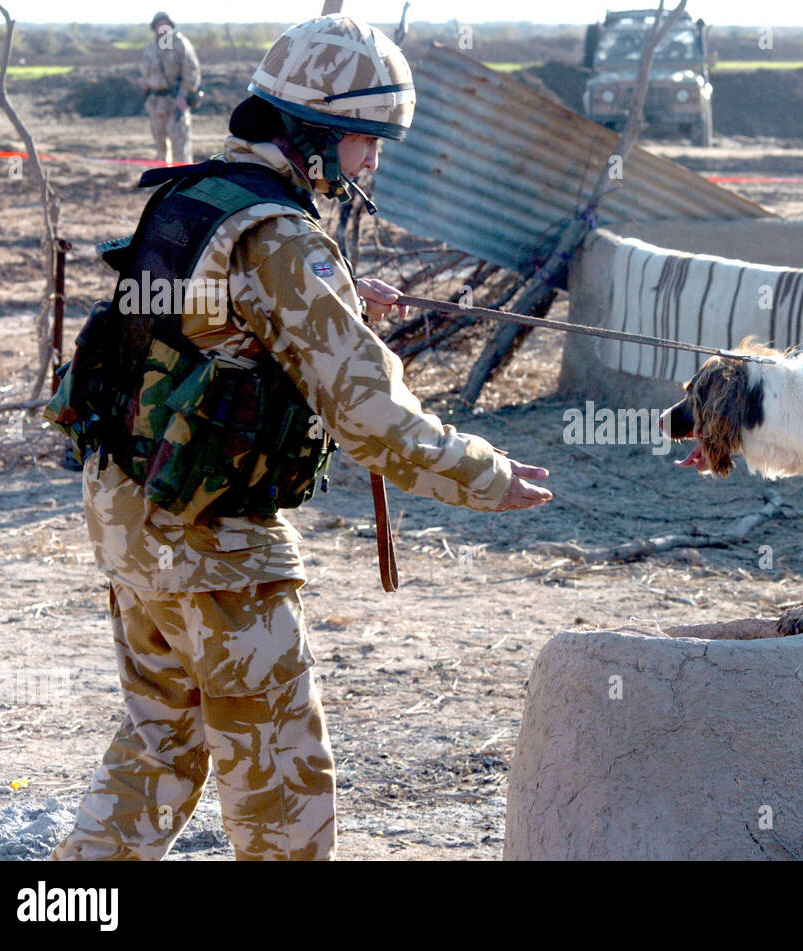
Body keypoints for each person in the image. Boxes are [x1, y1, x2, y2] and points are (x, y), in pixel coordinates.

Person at [48, 14, 552, 860]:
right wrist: (485, 474)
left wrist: (340, 290)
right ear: (314, 132)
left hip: (131, 524)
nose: (373, 162)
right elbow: (373, 419)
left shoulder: (199, 195)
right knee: (282, 788)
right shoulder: (282, 238)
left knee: (158, 752)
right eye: (366, 141)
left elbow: (210, 321)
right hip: (214, 547)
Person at [141, 11, 201, 164]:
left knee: (180, 148)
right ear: (154, 27)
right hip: (156, 103)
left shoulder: (180, 45)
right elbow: (147, 72)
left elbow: (191, 73)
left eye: (165, 24)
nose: (162, 27)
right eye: (159, 24)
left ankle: (184, 184)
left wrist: (183, 95)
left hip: (175, 102)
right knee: (160, 148)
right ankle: (164, 182)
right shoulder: (151, 48)